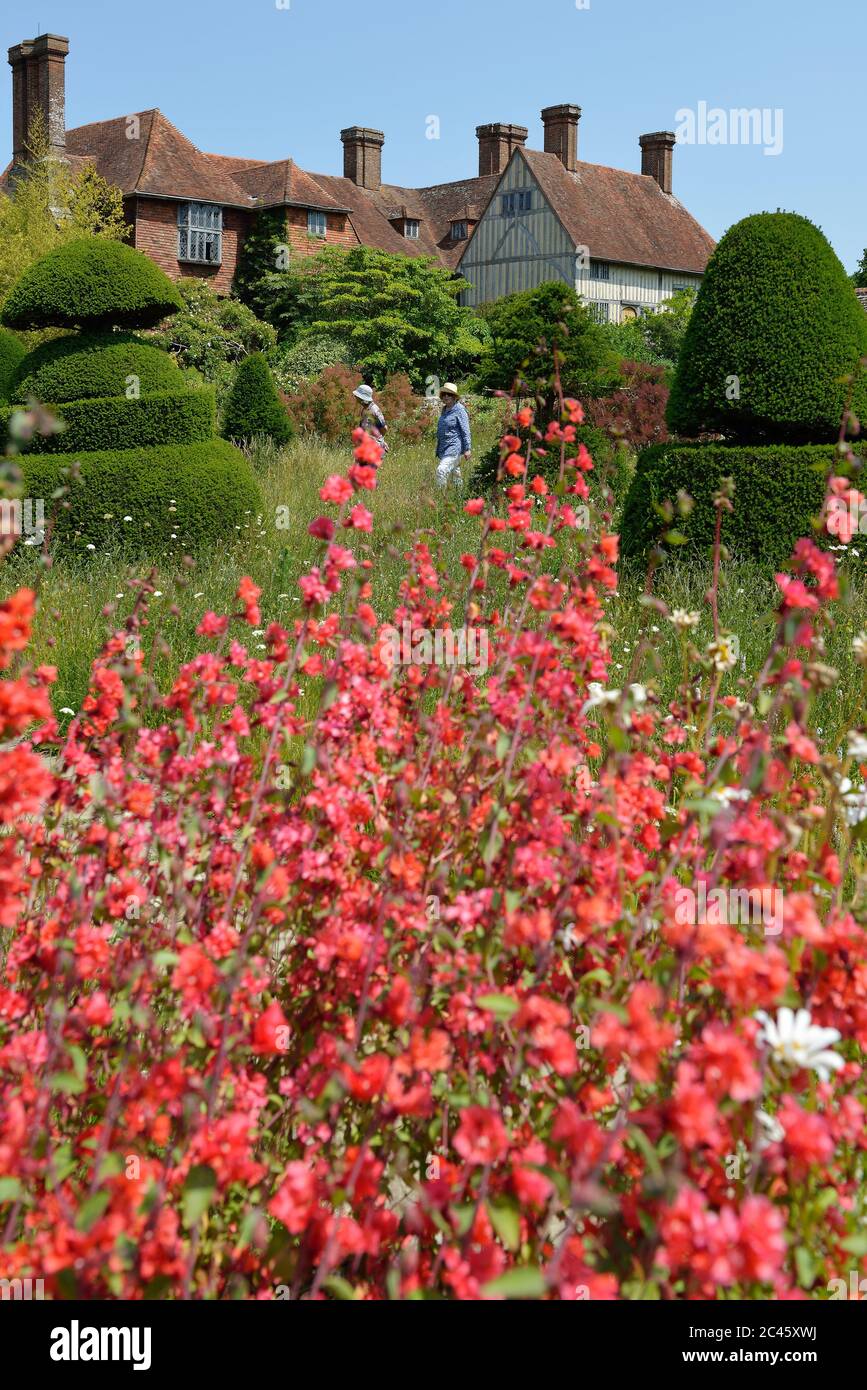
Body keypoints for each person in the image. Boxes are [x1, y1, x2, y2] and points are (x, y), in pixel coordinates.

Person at [435, 383, 471, 489]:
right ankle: (459, 496)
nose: (446, 396)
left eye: (449, 394)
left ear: (454, 397)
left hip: (454, 446)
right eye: (444, 394)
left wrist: (467, 448)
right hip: (444, 447)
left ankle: (441, 496)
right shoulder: (444, 409)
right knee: (456, 473)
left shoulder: (460, 410)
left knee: (441, 470)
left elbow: (465, 430)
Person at [353, 383, 389, 453]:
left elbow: (384, 428)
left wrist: (380, 441)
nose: (355, 396)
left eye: (357, 395)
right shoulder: (365, 409)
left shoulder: (374, 411)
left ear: (362, 397)